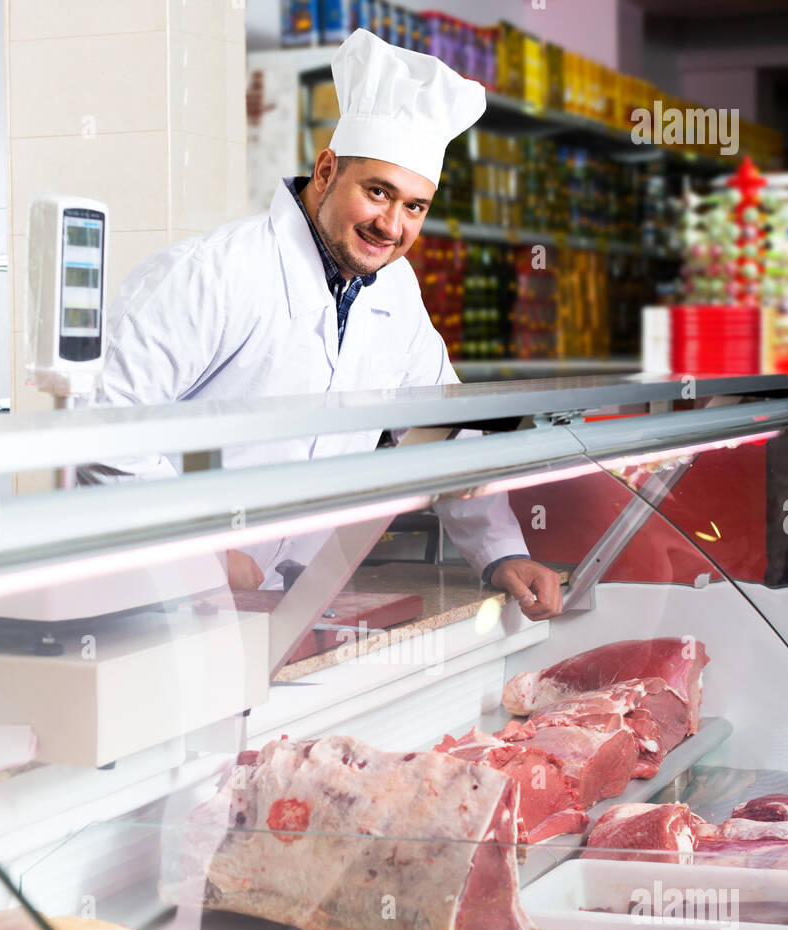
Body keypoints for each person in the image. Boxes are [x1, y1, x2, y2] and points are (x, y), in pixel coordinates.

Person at [82, 29, 562, 620]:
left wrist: (501, 554)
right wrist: (201, 555)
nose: (392, 224)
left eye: (415, 206)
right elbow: (105, 432)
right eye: (379, 192)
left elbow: (446, 431)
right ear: (328, 169)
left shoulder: (396, 291)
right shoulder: (214, 273)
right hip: (163, 606)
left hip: (294, 609)